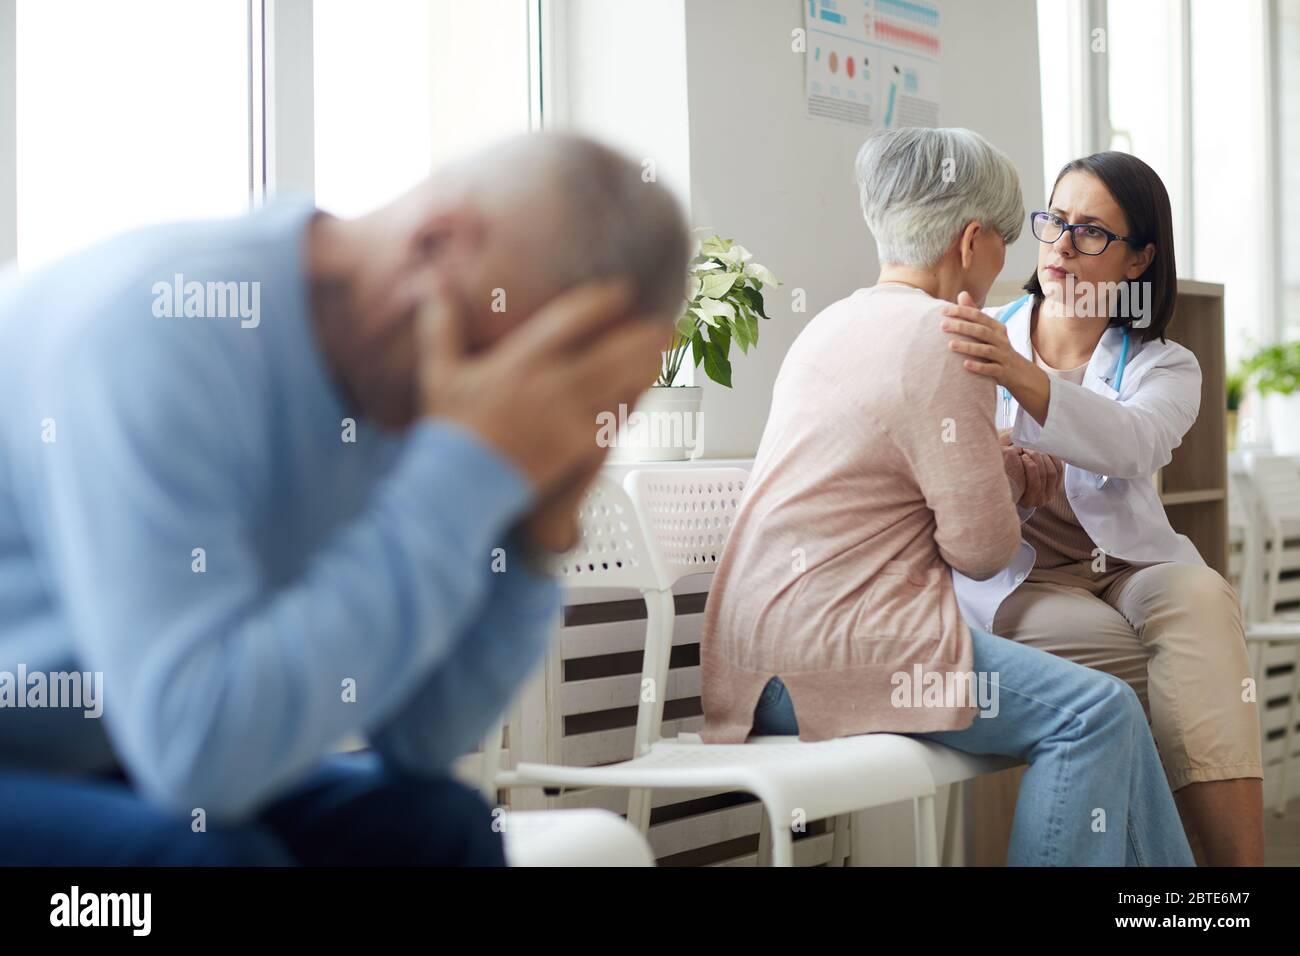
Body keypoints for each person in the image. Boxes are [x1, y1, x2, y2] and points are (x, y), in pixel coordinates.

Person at [0, 131, 690, 865]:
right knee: (207, 860)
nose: (504, 406)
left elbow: (421, 739)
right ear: (435, 239)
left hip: (119, 752)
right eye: (507, 365)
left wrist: (539, 529)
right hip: (53, 752)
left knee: (441, 828)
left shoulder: (405, 377)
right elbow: (196, 755)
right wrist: (460, 469)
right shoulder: (160, 332)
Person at [698, 127, 1194, 865]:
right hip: (830, 653)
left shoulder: (831, 321)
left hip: (750, 654)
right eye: (1006, 240)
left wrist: (1000, 471)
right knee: (1095, 714)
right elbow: (984, 550)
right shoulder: (950, 336)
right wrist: (1019, 477)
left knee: (1108, 710)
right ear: (971, 242)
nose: (1015, 264)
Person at [940, 151, 1264, 865]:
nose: (1061, 246)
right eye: (1055, 221)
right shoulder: (979, 333)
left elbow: (1131, 443)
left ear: (1139, 258)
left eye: (1091, 232)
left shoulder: (1164, 363)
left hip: (1128, 567)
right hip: (1026, 581)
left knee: (1202, 598)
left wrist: (1020, 384)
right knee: (1182, 677)